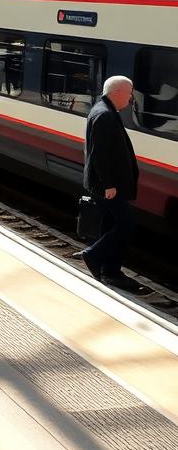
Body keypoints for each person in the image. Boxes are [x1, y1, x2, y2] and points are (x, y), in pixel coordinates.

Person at [78, 76, 144, 293]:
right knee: (127, 223)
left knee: (110, 224)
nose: (131, 96)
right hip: (107, 185)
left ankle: (110, 271)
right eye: (129, 92)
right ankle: (95, 256)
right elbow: (101, 156)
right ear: (117, 92)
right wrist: (108, 184)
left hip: (108, 183)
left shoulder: (104, 109)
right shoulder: (104, 115)